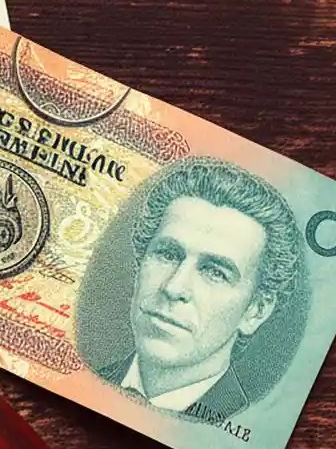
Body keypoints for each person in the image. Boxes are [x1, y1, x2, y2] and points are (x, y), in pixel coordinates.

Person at [96, 158, 305, 418]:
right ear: (140, 264)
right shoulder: (91, 382)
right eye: (168, 254)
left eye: (215, 272)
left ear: (256, 311)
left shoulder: (244, 420)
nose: (173, 287)